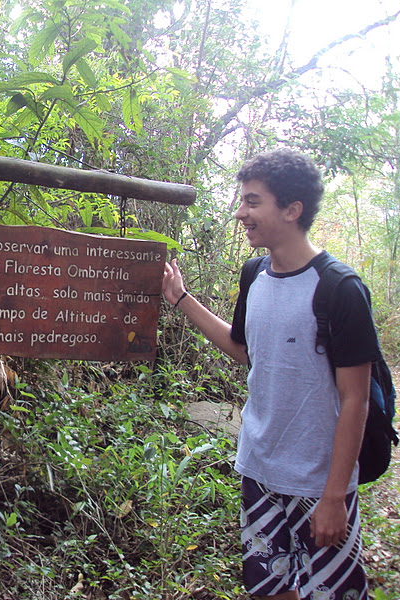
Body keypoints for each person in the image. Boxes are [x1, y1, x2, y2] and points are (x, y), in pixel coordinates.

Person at [162, 148, 379, 600]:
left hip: (318, 482)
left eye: (253, 202)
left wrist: (335, 496)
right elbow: (243, 351)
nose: (241, 213)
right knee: (270, 590)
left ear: (292, 210)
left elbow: (355, 398)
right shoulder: (254, 273)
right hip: (259, 471)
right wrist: (180, 298)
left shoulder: (341, 289)